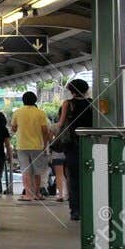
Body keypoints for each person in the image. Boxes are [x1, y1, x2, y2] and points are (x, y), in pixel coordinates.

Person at [53, 79, 95, 221]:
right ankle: (90, 207)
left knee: (74, 178)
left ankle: (75, 210)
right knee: (89, 176)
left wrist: (51, 130)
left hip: (72, 145)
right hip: (90, 143)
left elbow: (60, 124)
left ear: (71, 91)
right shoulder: (92, 103)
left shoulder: (68, 104)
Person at [11, 91, 52, 202]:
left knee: (26, 171)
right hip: (37, 145)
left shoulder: (17, 113)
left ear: (23, 100)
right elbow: (45, 131)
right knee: (37, 172)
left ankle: (28, 195)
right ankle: (37, 194)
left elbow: (13, 128)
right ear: (35, 100)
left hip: (22, 145)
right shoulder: (40, 113)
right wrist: (44, 144)